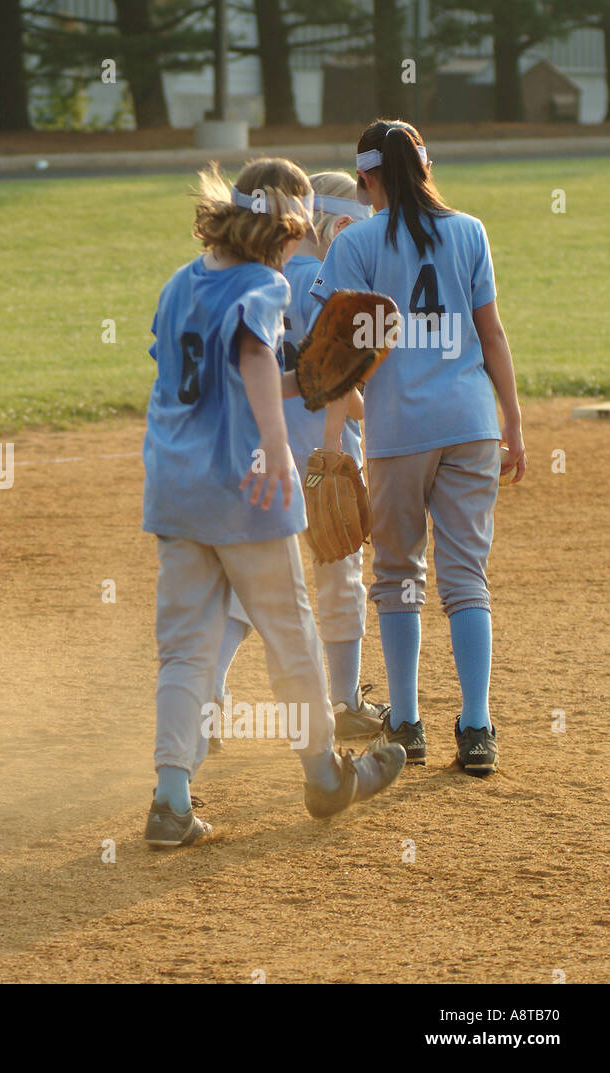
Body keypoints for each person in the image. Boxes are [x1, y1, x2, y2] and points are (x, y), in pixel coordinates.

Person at [141, 157, 406, 848]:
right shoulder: (261, 283)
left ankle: (171, 799)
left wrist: (308, 384)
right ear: (280, 226)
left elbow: (206, 379)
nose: (297, 245)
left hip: (175, 489)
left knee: (185, 651)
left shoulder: (179, 284)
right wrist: (275, 447)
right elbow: (255, 359)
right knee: (291, 638)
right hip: (244, 487)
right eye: (296, 229)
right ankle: (325, 775)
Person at [311, 119, 524, 776]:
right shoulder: (471, 231)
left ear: (367, 179)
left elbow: (329, 353)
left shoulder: (358, 242)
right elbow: (492, 336)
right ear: (426, 168)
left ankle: (405, 724)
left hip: (399, 428)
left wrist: (329, 443)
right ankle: (479, 726)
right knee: (467, 578)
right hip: (471, 422)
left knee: (398, 575)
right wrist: (513, 421)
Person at [210, 171, 387, 749]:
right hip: (319, 453)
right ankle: (342, 700)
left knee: (246, 582)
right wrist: (341, 438)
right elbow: (336, 382)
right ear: (337, 228)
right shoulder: (333, 287)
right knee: (340, 573)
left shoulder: (260, 276)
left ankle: (209, 694)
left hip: (256, 452)